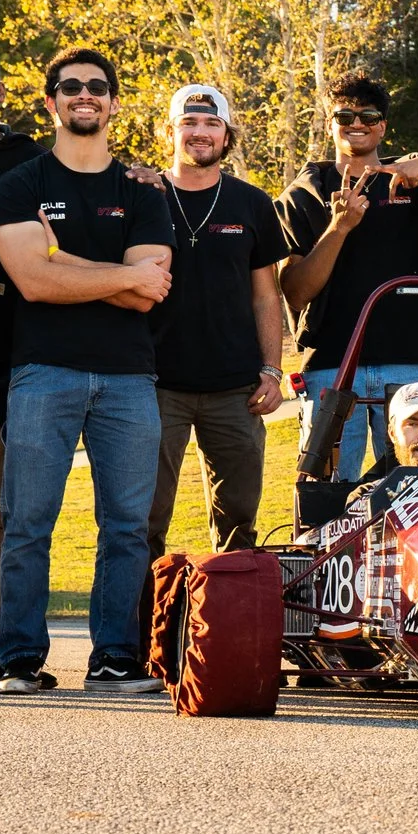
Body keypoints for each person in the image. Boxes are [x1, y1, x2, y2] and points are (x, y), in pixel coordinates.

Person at [0, 46, 175, 694]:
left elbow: (151, 291)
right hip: (42, 371)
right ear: (51, 102)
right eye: (70, 87)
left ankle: (115, 660)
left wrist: (61, 257)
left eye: (97, 87)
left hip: (128, 377)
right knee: (28, 520)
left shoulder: (143, 191)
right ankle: (18, 661)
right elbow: (33, 283)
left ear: (114, 102)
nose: (84, 95)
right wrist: (109, 273)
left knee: (126, 526)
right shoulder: (22, 185)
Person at [279, 73, 418, 478]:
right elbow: (295, 292)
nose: (356, 123)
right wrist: (338, 228)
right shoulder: (305, 192)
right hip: (332, 361)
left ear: (382, 125)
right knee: (327, 490)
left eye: (368, 115)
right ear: (331, 121)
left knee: (413, 488)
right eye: (344, 115)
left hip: (409, 360)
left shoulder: (416, 179)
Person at [145, 85, 287, 559]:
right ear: (171, 131)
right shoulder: (142, 194)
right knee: (144, 518)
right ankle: (140, 628)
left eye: (211, 124)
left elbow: (267, 296)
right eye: (189, 122)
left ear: (227, 136)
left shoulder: (252, 203)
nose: (200, 132)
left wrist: (271, 369)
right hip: (154, 385)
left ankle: (226, 625)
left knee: (239, 521)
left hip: (235, 390)